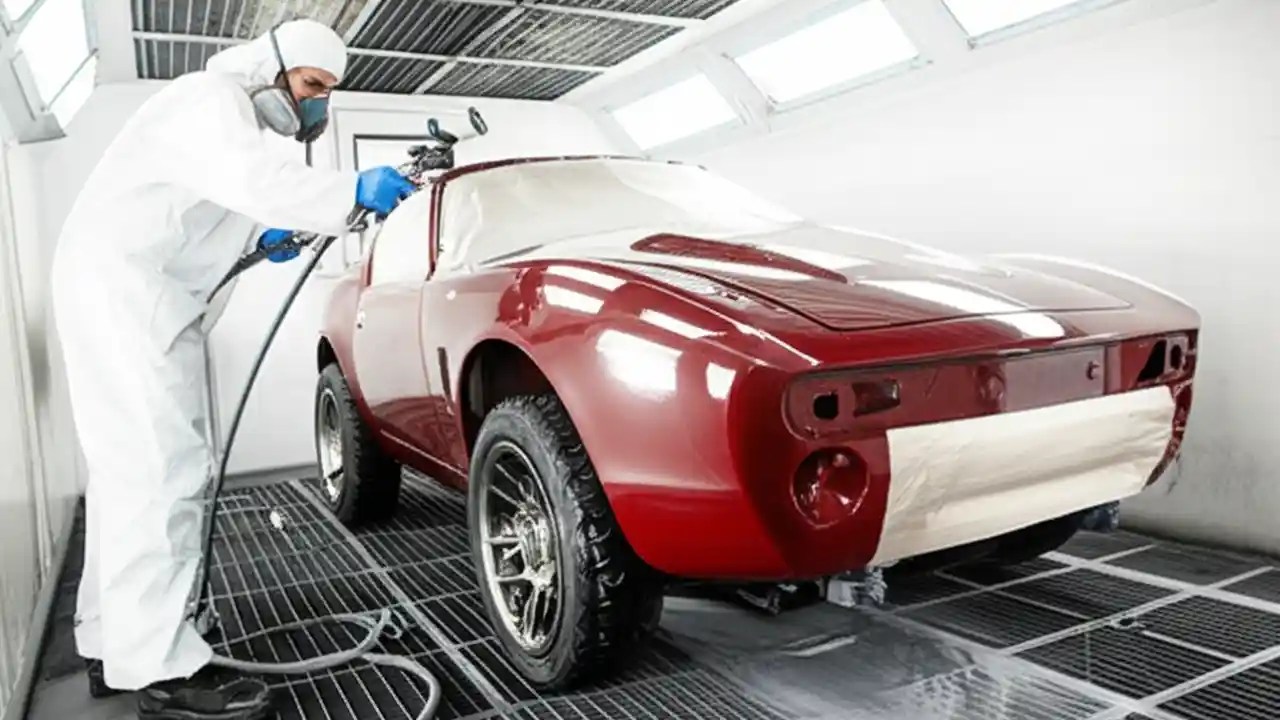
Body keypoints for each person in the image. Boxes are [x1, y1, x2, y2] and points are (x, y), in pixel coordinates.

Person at [49, 18, 416, 720]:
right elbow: (253, 177)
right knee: (163, 470)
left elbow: (218, 202)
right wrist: (350, 190)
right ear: (271, 67)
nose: (315, 106)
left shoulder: (219, 125)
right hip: (124, 293)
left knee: (132, 472)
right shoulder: (208, 100)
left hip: (137, 295)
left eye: (326, 93)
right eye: (312, 86)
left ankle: (113, 642)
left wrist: (262, 236)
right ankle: (160, 668)